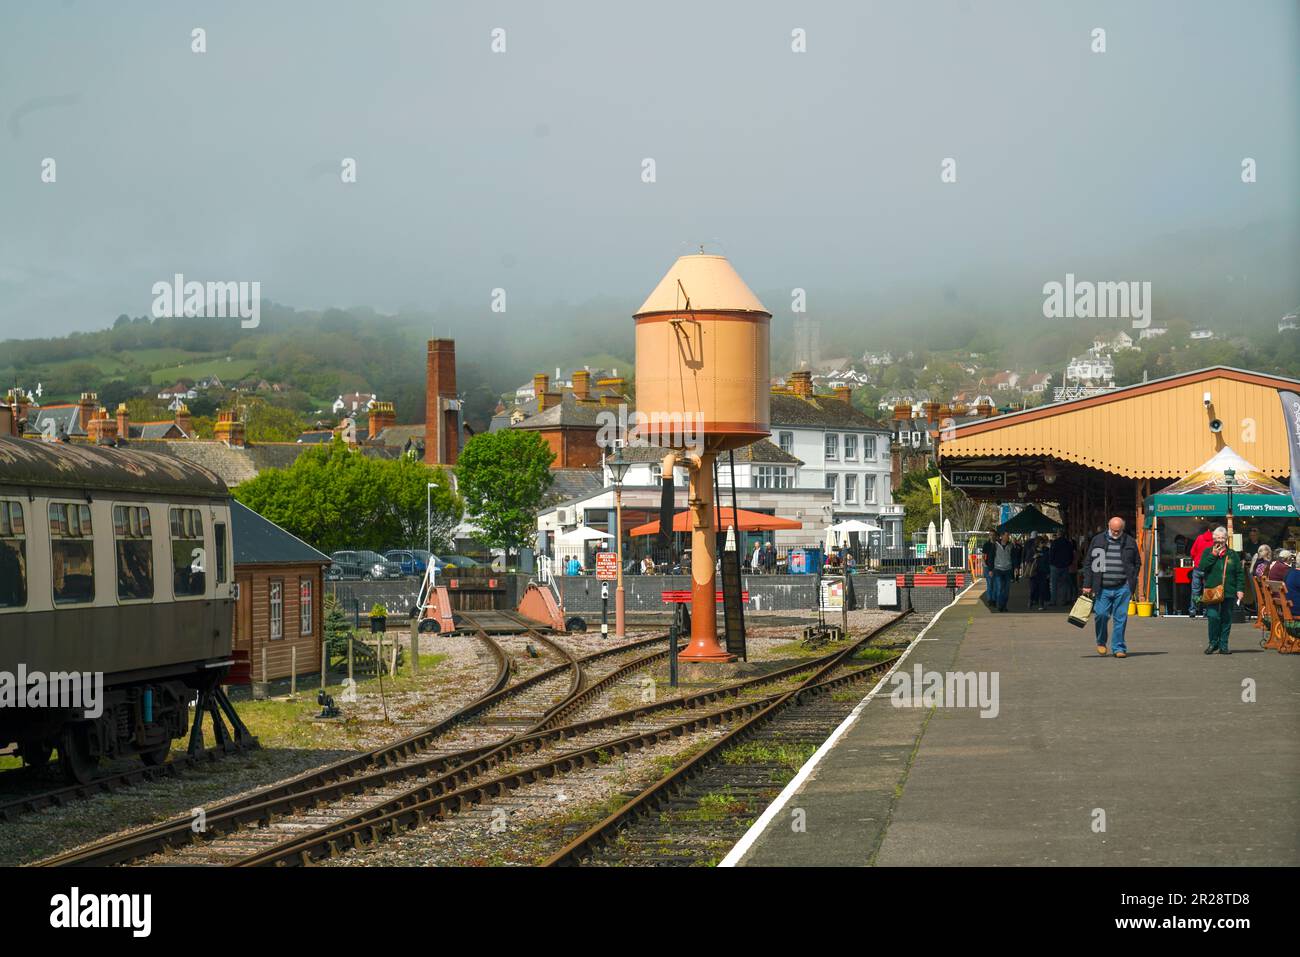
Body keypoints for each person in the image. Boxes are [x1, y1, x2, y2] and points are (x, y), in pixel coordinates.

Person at [1082, 516, 1140, 658]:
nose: (1115, 533)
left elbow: (1137, 562)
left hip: (1123, 587)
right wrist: (1087, 584)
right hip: (1102, 587)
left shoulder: (1130, 541)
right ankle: (1101, 642)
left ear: (1122, 528)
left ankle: (1119, 648)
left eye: (1118, 530)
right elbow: (1089, 563)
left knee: (1120, 618)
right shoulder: (1098, 540)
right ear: (1108, 526)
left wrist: (1131, 579)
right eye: (1113, 530)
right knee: (1101, 615)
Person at [1195, 525, 1244, 655]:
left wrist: (1240, 589)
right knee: (1213, 617)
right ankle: (1213, 643)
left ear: (1226, 539)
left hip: (1228, 590)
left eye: (1223, 538)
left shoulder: (1232, 554)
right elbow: (1202, 567)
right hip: (1212, 590)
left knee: (1226, 618)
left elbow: (1239, 573)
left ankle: (1223, 645)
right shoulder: (1207, 552)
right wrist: (1213, 555)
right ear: (1213, 538)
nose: (1220, 540)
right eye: (1218, 537)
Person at [1188, 525, 1214, 617]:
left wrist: (1195, 560)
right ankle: (1206, 611)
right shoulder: (1215, 540)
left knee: (1195, 590)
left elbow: (1192, 552)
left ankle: (1193, 610)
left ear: (1208, 529)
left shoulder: (1199, 538)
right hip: (1209, 569)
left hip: (1198, 567)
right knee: (1207, 590)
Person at [1048, 532, 1075, 607]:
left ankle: (1053, 601)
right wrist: (1068, 563)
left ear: (1058, 535)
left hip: (1055, 566)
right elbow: (1071, 554)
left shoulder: (1054, 542)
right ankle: (1063, 601)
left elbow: (1051, 554)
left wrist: (1051, 563)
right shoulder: (1068, 543)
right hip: (1065, 566)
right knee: (1064, 584)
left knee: (1054, 584)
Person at [990, 531, 1013, 612]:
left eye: (1008, 535)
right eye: (1006, 535)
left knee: (1006, 590)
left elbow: (1013, 557)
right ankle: (1000, 606)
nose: (1008, 537)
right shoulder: (995, 545)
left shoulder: (1010, 545)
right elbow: (991, 557)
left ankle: (1004, 605)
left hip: (1008, 570)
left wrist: (1016, 567)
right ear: (1002, 536)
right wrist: (990, 569)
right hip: (998, 570)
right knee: (1000, 588)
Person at [1028, 539, 1050, 610]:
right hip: (1034, 572)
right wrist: (1034, 557)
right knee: (1033, 589)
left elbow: (1048, 562)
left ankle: (1041, 605)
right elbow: (1027, 560)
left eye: (1043, 543)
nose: (1042, 544)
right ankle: (1031, 600)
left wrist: (1048, 572)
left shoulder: (1046, 550)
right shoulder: (1032, 550)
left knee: (1042, 589)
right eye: (1041, 543)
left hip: (1043, 572)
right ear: (1037, 543)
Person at [981, 534, 997, 606]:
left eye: (993, 535)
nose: (992, 536)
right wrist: (984, 564)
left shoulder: (997, 544)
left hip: (996, 566)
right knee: (990, 583)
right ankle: (990, 600)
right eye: (991, 535)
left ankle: (993, 599)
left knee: (995, 583)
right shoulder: (986, 545)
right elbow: (983, 556)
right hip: (988, 566)